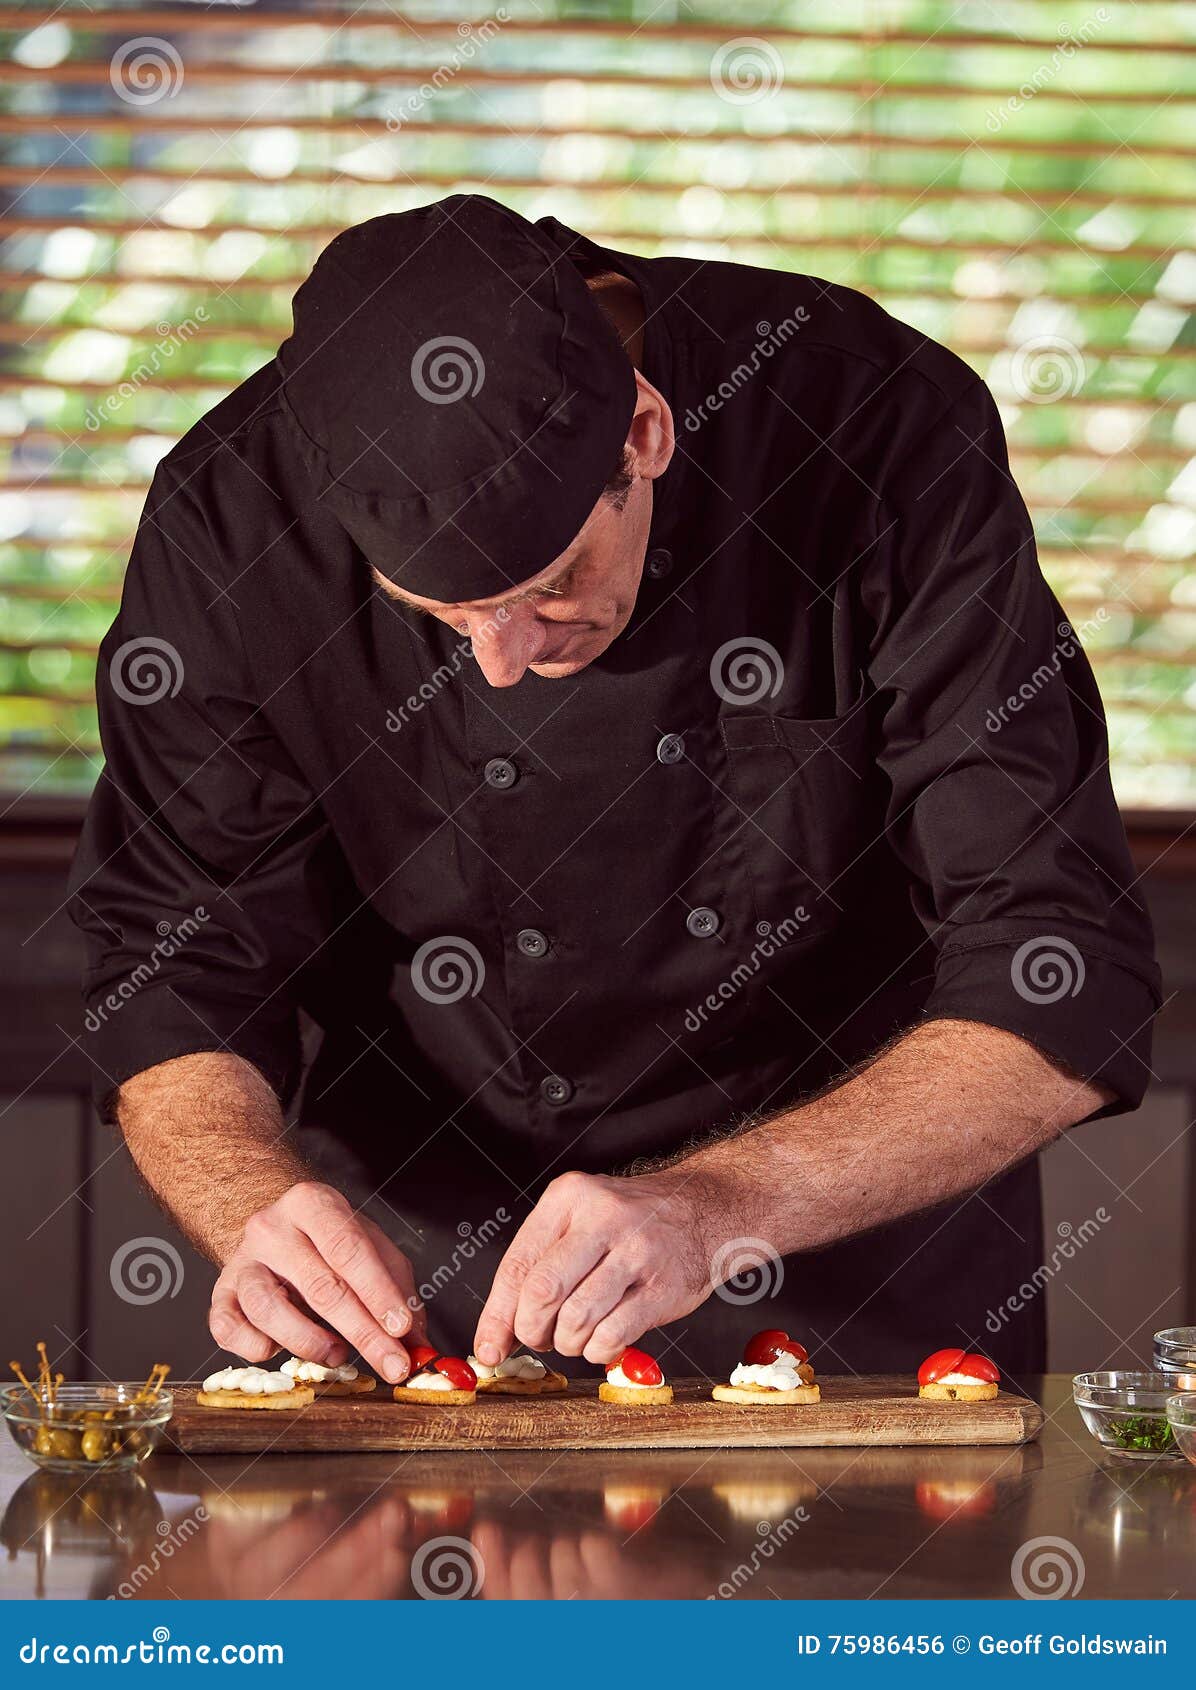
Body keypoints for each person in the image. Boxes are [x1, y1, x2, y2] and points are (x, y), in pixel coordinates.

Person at [68, 195, 1159, 1387]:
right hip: (421, 1291)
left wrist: (715, 1203)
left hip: (848, 1282)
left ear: (641, 432)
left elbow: (1054, 959)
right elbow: (173, 960)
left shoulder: (874, 426)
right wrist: (253, 1203)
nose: (503, 657)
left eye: (547, 586)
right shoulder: (227, 516)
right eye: (439, 618)